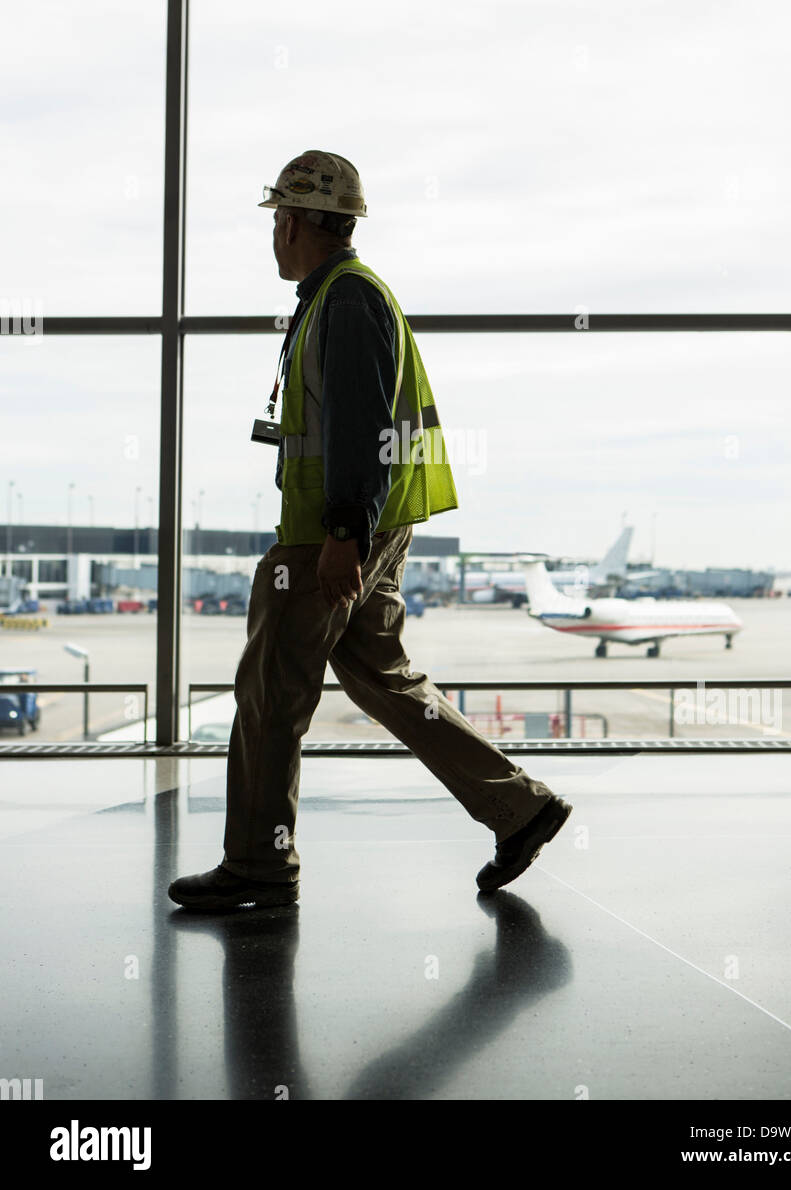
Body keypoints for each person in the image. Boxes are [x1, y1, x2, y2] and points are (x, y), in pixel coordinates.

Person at [168, 150, 571, 910]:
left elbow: (357, 423)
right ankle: (518, 807)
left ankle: (258, 864)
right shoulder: (341, 296)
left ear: (294, 223)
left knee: (268, 692)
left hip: (328, 533)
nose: (274, 235)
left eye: (278, 220)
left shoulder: (346, 302)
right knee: (383, 676)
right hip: (369, 525)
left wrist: (342, 533)